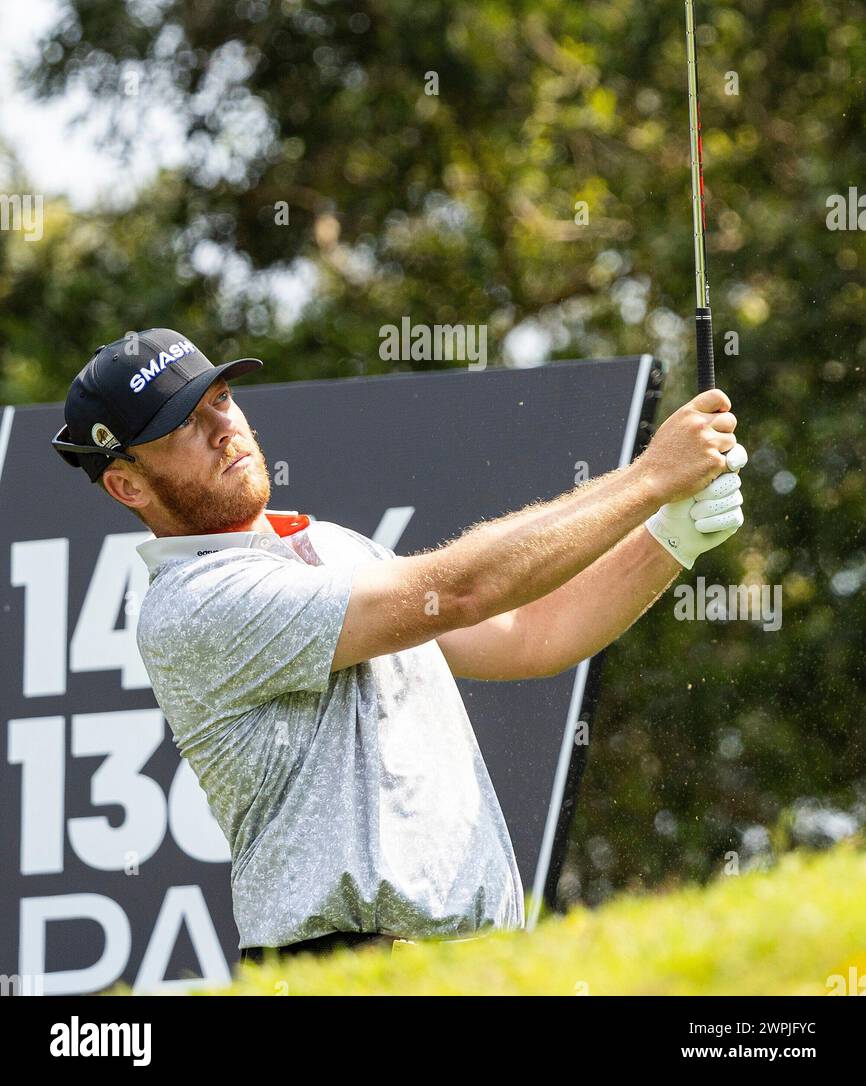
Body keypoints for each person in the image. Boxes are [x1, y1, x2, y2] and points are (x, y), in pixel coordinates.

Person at [52, 327, 747, 963]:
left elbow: (534, 635)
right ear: (126, 482)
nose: (222, 429)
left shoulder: (331, 547)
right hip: (344, 963)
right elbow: (467, 588)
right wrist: (651, 477)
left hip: (470, 960)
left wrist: (670, 537)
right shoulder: (193, 604)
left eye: (221, 399)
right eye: (182, 424)